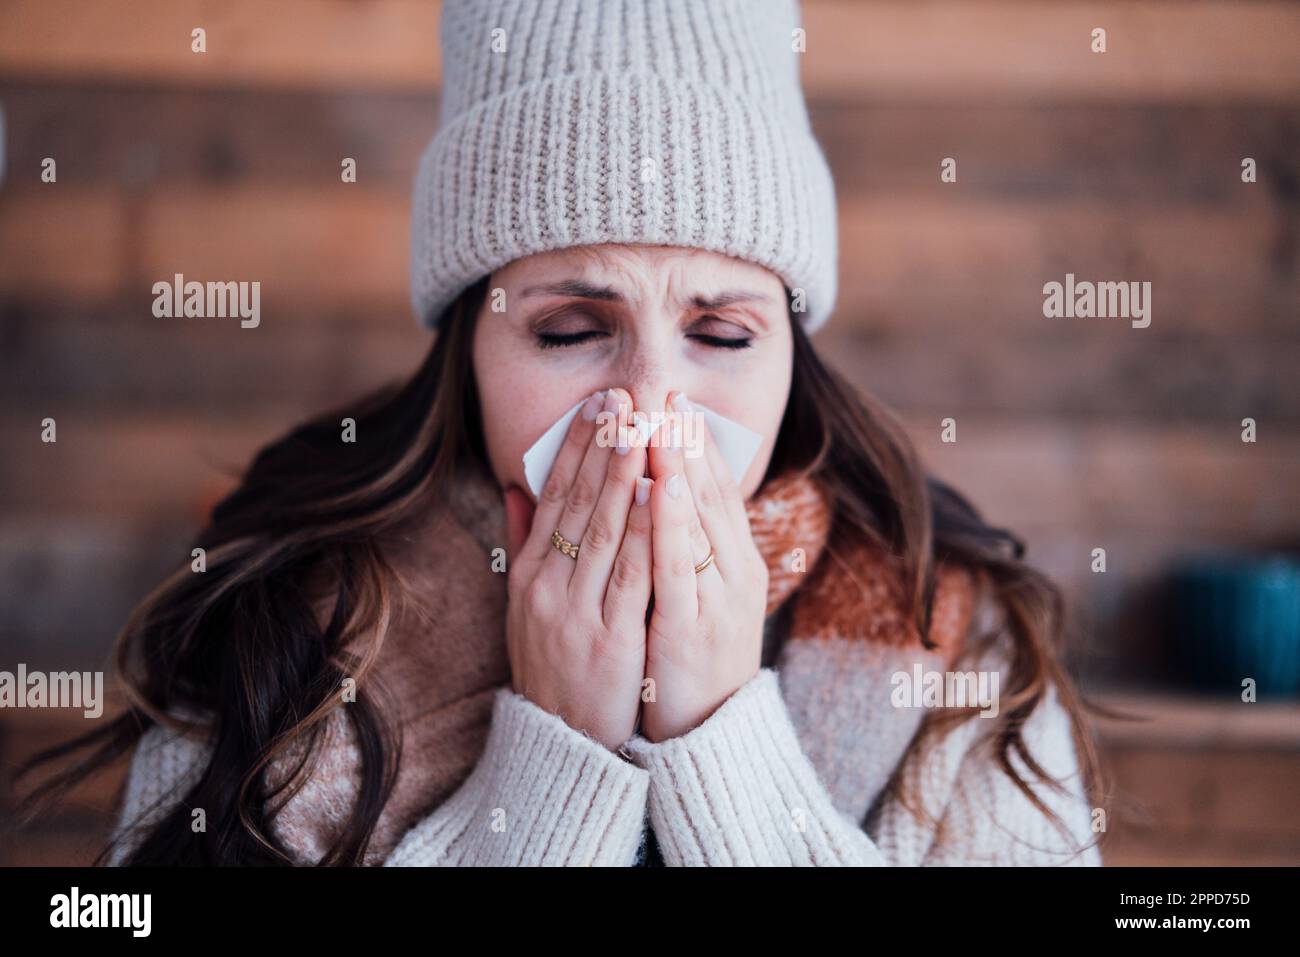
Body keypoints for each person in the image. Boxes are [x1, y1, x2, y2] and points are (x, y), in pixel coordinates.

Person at [18, 0, 1105, 866]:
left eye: (721, 333)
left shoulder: (959, 644)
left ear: (791, 354)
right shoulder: (278, 624)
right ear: (469, 354)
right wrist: (555, 770)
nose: (647, 406)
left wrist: (719, 741)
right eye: (574, 329)